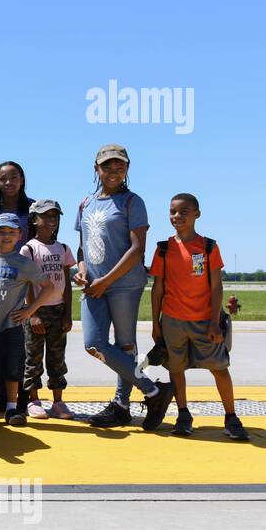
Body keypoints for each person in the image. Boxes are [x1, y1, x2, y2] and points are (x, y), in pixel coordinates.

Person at [73, 144, 174, 431]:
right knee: (93, 343)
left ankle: (121, 405)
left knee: (126, 346)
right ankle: (153, 391)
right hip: (93, 286)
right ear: (97, 169)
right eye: (107, 166)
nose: (114, 171)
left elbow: (137, 248)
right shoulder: (85, 204)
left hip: (124, 285)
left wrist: (106, 281)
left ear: (127, 168)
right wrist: (82, 273)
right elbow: (83, 250)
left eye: (120, 166)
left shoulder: (132, 202)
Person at [148, 193, 249, 440]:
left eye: (184, 211)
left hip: (205, 320)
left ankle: (231, 416)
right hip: (172, 319)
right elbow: (158, 288)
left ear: (197, 214)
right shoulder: (163, 248)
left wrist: (215, 321)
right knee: (176, 368)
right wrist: (155, 324)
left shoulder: (208, 247)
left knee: (219, 367)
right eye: (172, 211)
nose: (177, 216)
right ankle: (183, 414)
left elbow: (217, 286)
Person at [0, 214, 53, 428]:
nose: (6, 236)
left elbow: (48, 287)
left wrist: (30, 310)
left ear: (19, 235)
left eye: (11, 232)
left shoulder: (23, 263)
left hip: (12, 326)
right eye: (2, 232)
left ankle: (12, 408)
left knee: (12, 369)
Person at [19, 200, 76, 419]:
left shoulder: (62, 248)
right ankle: (34, 400)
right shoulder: (29, 249)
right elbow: (26, 283)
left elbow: (67, 283)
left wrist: (68, 313)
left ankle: (58, 401)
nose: (52, 219)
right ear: (34, 220)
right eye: (46, 215)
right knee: (33, 357)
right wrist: (33, 314)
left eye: (55, 216)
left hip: (58, 310)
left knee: (57, 357)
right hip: (36, 313)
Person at [0, 161, 35, 252]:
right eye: (3, 179)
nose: (8, 182)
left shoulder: (33, 208)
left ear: (21, 180)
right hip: (1, 265)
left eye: (13, 178)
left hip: (28, 265)